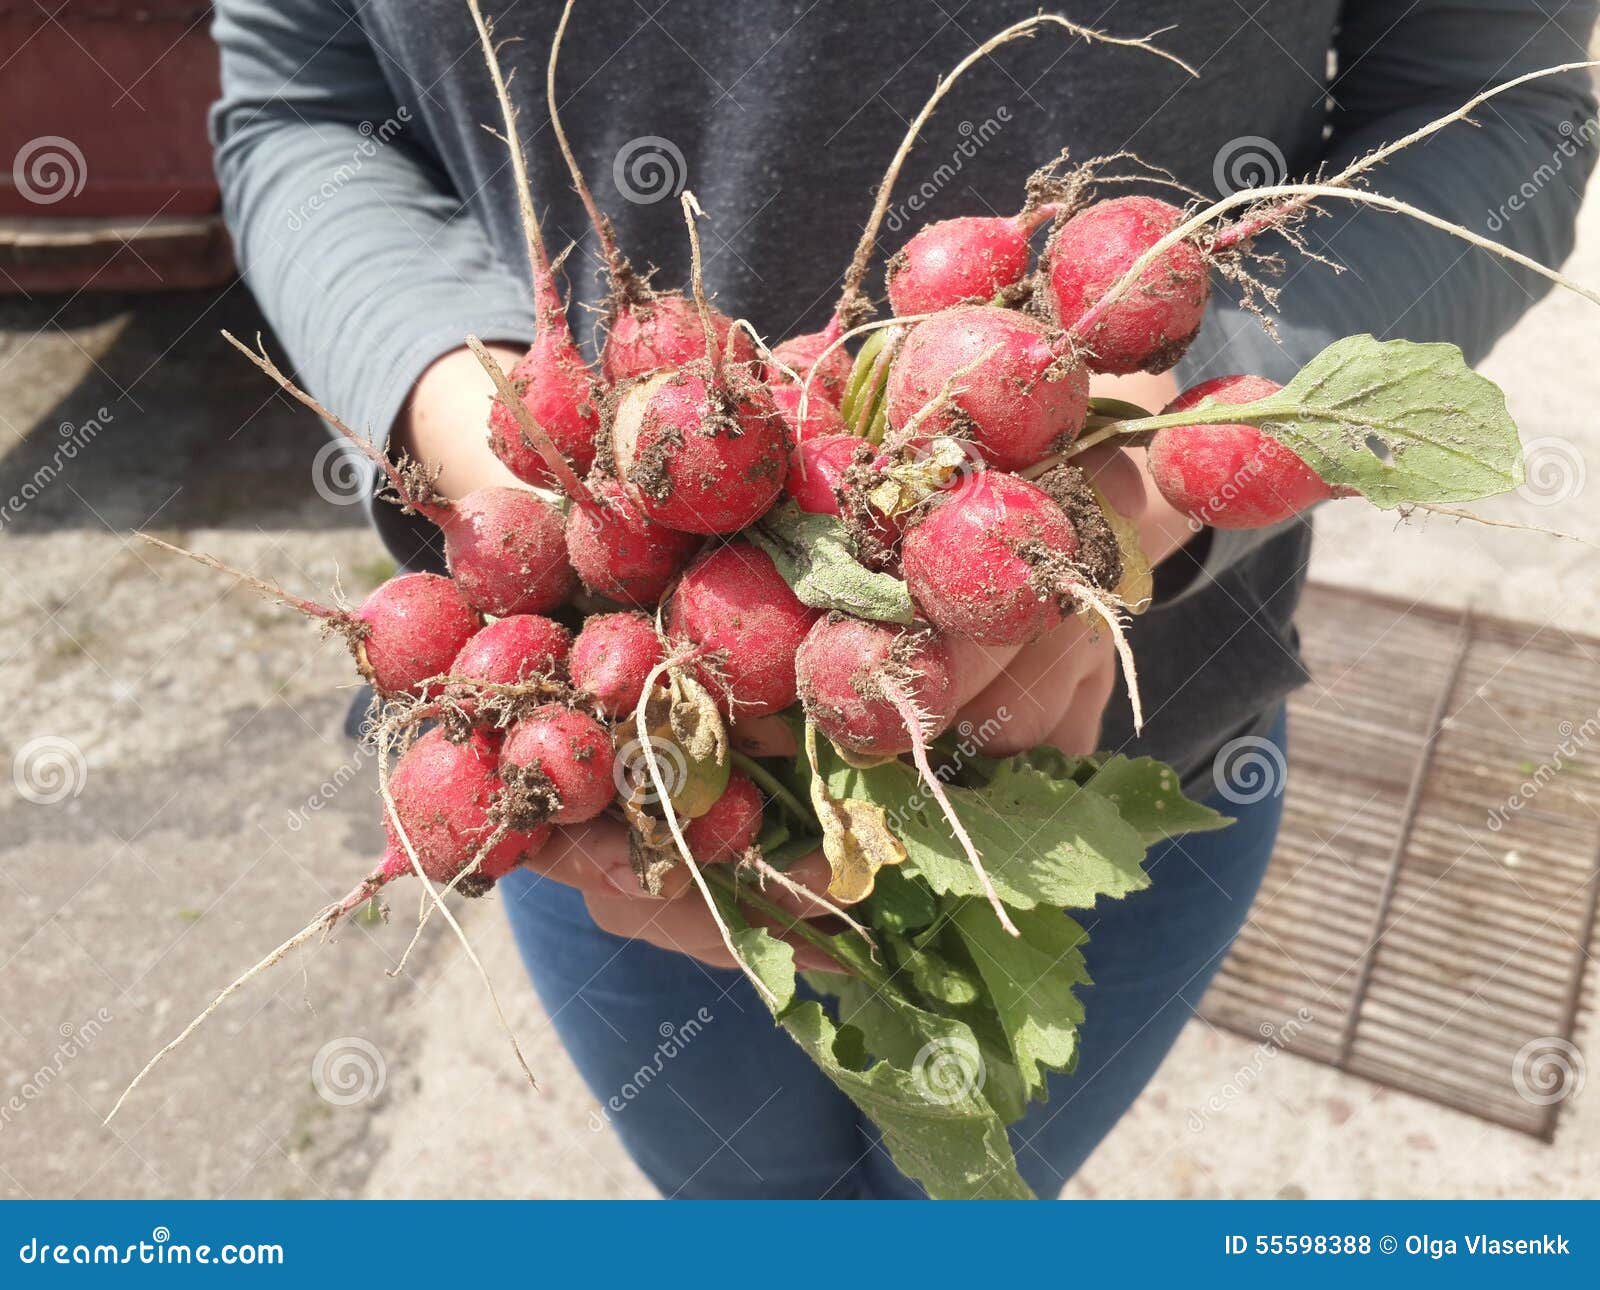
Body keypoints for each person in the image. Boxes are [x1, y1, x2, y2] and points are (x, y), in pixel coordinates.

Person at [211, 0, 1597, 1198]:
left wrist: (1136, 475)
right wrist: (491, 436)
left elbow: (1509, 114)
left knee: (971, 1208)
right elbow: (300, 110)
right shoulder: (579, 700)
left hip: (1129, 744)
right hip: (633, 807)